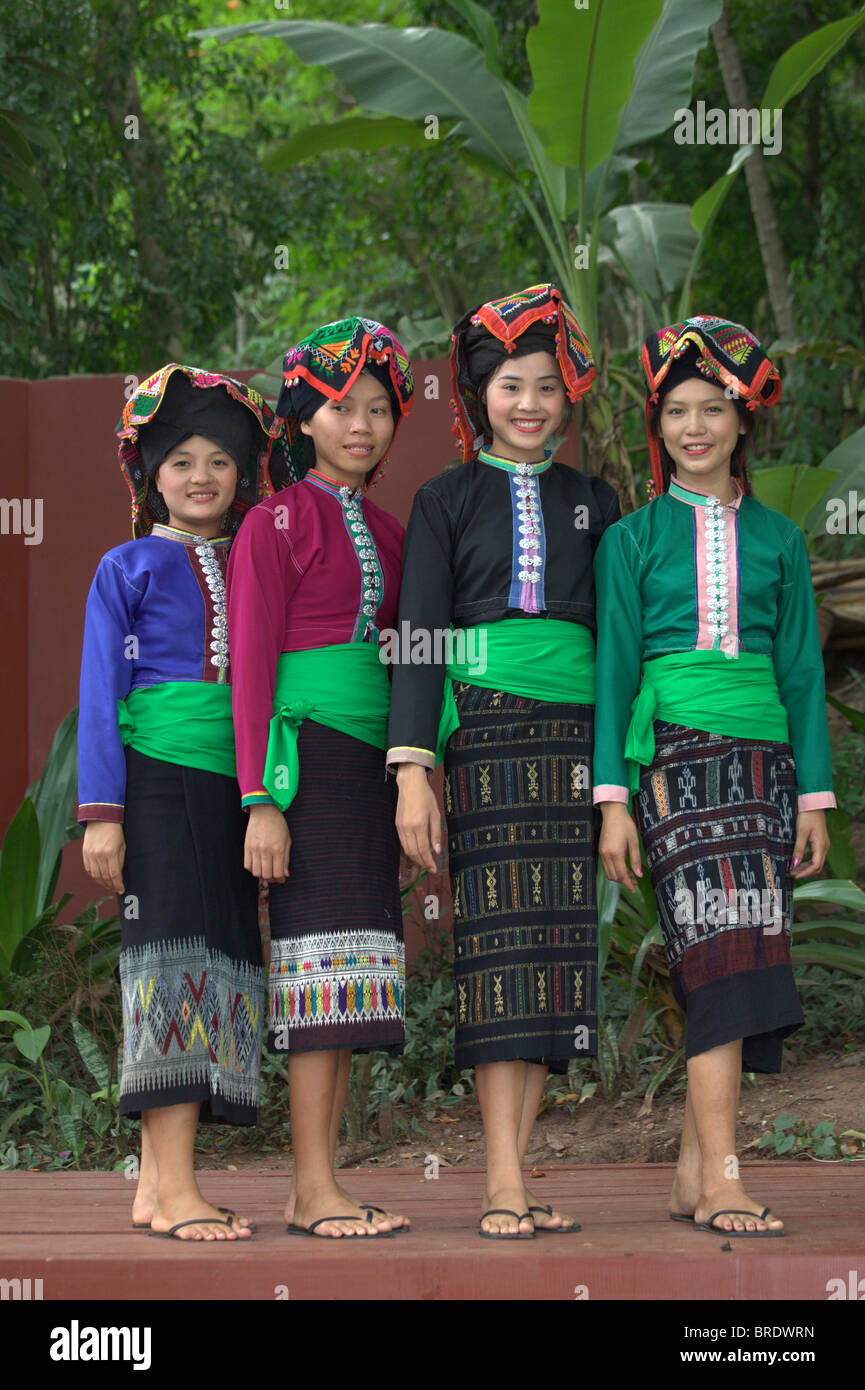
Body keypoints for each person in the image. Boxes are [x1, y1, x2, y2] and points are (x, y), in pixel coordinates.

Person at [387, 283, 620, 1238]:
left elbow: (616, 645)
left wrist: (615, 781)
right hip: (484, 738)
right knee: (497, 954)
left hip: (573, 745)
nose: (530, 405)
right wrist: (413, 767)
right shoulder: (443, 500)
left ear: (569, 398)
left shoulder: (594, 501)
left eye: (547, 388)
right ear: (477, 396)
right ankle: (497, 1181)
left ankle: (519, 1174)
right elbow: (419, 636)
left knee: (556, 960)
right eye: (510, 387)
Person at [594, 315, 834, 1237]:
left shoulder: (778, 539)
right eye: (676, 412)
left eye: (712, 409)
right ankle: (728, 1176)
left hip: (765, 766)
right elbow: (615, 669)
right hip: (675, 764)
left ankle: (695, 1177)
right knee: (715, 952)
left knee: (736, 956)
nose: (694, 428)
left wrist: (813, 794)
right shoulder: (632, 540)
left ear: (742, 420)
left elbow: (803, 672)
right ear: (658, 427)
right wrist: (611, 798)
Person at [79, 364, 280, 1240]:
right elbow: (98, 693)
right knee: (169, 967)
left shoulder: (251, 559)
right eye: (181, 461)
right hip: (156, 786)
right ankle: (179, 1188)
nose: (201, 477)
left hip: (233, 788)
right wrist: (104, 814)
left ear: (242, 476)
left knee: (222, 963)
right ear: (149, 474)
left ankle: (158, 1188)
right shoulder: (125, 568)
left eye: (220, 462)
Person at [226, 317, 414, 1239]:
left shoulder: (389, 526)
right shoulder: (273, 521)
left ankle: (319, 1182)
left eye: (379, 409)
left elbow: (408, 651)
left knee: (353, 976)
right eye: (343, 407)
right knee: (316, 975)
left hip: (372, 768)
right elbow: (252, 663)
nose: (362, 425)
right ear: (303, 417)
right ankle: (309, 1187)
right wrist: (260, 795)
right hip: (305, 766)